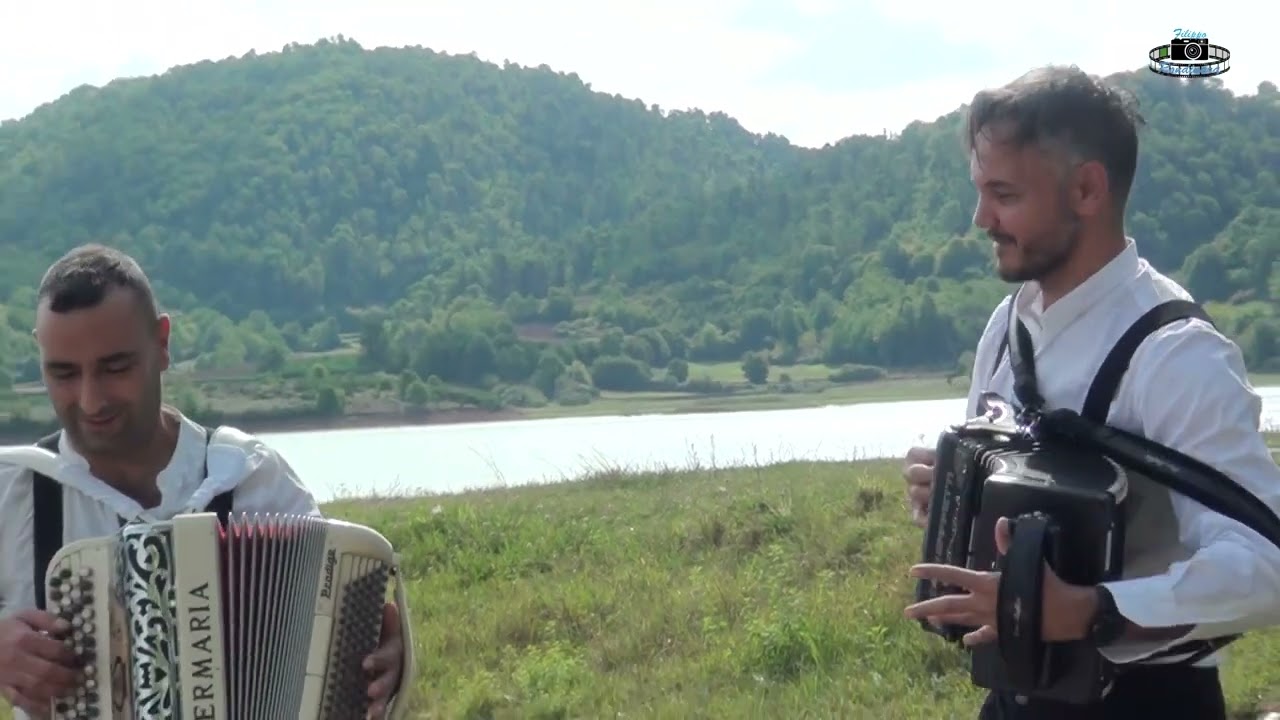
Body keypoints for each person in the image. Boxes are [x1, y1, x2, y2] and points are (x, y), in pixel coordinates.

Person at [899, 65, 1280, 719]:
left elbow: (1266, 565)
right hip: (1011, 697)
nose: (981, 218)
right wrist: (956, 499)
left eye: (1004, 194)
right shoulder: (1005, 326)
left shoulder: (1177, 354)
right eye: (980, 191)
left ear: (1085, 188)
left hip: (1148, 704)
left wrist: (1094, 610)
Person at [0, 244, 406, 719]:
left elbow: (344, 634)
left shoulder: (250, 476)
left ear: (163, 343)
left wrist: (386, 657)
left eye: (115, 367)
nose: (91, 400)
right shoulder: (14, 490)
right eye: (63, 373)